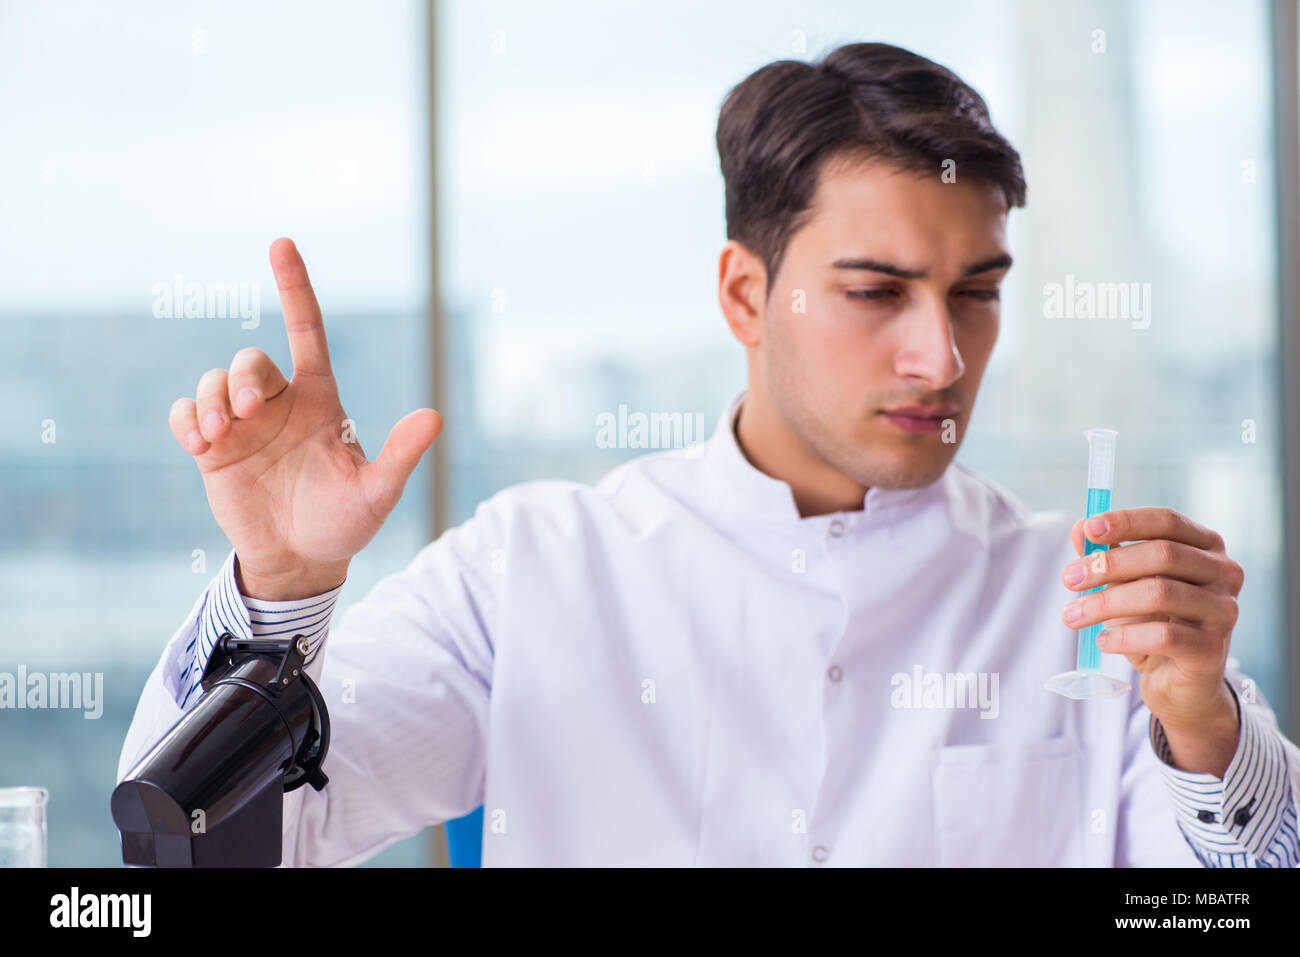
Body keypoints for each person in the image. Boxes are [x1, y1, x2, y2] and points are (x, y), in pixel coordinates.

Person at [118, 41, 1299, 866]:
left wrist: (1203, 725)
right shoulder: (534, 571)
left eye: (975, 293)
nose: (940, 357)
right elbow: (208, 846)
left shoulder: (1087, 602)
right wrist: (280, 589)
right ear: (745, 293)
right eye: (876, 292)